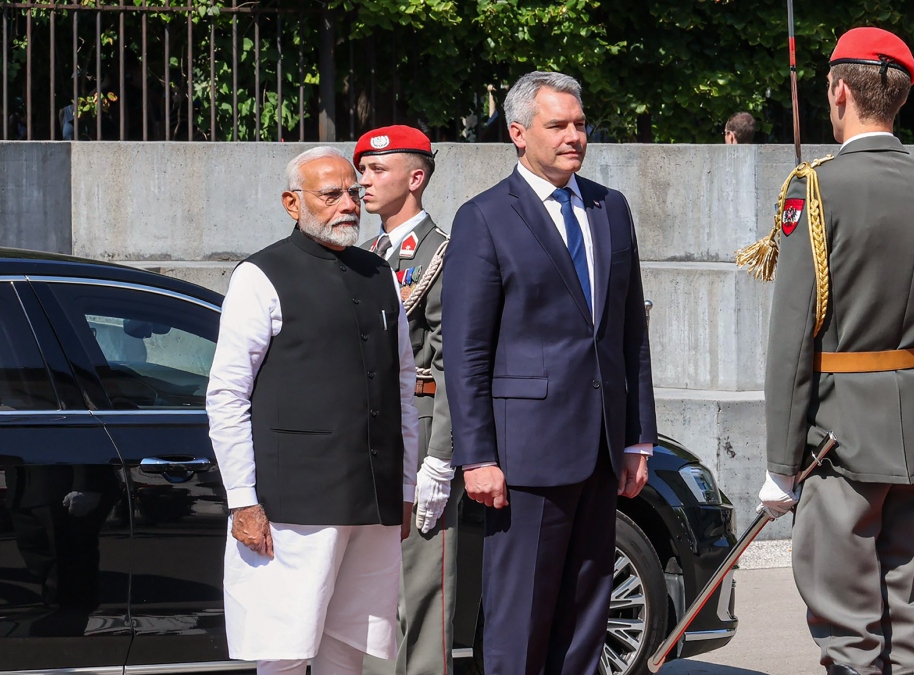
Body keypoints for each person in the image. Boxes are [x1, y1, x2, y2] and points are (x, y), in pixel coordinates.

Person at [752, 27, 914, 675]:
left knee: (851, 639)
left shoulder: (815, 188)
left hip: (838, 435)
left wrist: (780, 462)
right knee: (909, 636)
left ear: (840, 91)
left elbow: (793, 337)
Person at [441, 71, 657, 675]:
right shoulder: (483, 218)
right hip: (524, 455)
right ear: (517, 133)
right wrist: (477, 455)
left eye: (580, 124)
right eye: (557, 125)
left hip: (601, 450)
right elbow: (466, 350)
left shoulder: (610, 208)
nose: (574, 137)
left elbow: (628, 335)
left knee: (588, 615)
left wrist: (638, 438)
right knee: (520, 621)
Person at [206, 146, 419, 675]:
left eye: (353, 192)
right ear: (292, 202)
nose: (348, 204)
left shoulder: (380, 274)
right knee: (286, 648)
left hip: (372, 499)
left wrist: (407, 489)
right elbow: (226, 395)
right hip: (291, 505)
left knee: (348, 649)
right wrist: (242, 500)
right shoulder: (261, 276)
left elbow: (402, 385)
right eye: (331, 195)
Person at [353, 125, 462, 675]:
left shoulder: (445, 256)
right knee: (372, 599)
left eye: (377, 170)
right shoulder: (368, 253)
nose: (363, 181)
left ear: (415, 177)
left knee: (419, 596)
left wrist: (440, 458)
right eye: (363, 170)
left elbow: (450, 367)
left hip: (419, 441)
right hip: (372, 442)